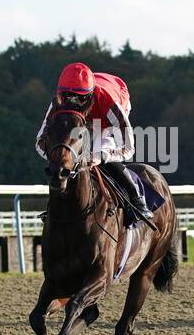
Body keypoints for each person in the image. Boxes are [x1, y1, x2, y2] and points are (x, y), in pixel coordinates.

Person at [35, 62, 152, 220]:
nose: (73, 101)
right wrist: (63, 158)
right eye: (68, 96)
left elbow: (128, 148)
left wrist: (101, 157)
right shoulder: (59, 103)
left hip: (107, 118)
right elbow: (40, 142)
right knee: (65, 162)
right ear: (61, 93)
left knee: (101, 153)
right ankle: (55, 209)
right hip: (79, 123)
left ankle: (138, 200)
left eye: (80, 98)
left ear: (89, 95)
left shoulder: (108, 103)